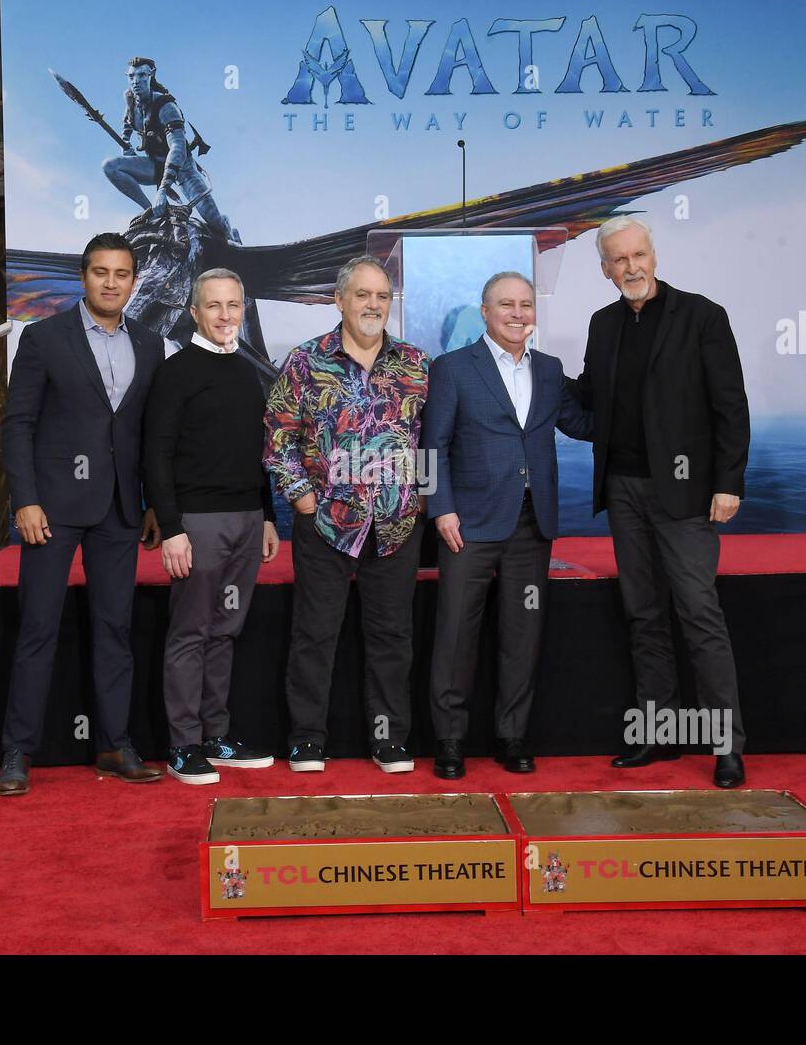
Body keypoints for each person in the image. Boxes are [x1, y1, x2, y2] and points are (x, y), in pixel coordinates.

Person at [570, 217, 749, 789]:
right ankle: (658, 733)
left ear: (654, 254)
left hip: (689, 492)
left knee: (698, 614)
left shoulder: (703, 316)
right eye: (619, 260)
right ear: (605, 268)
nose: (632, 267)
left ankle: (727, 744)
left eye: (639, 255)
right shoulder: (603, 324)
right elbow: (589, 399)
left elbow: (731, 407)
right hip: (622, 491)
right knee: (644, 614)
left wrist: (730, 482)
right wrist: (531, 375)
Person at [0, 232, 164, 796]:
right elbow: (17, 424)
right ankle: (18, 751)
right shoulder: (43, 339)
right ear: (83, 277)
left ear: (133, 281)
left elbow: (145, 432)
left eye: (121, 274)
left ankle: (115, 745)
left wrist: (151, 502)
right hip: (52, 509)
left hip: (119, 509)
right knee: (39, 627)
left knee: (114, 628)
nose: (111, 283)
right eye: (100, 272)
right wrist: (25, 499)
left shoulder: (150, 341)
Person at [421, 272, 592, 779]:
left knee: (523, 633)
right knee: (455, 634)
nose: (517, 314)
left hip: (531, 525)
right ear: (485, 310)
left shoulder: (550, 368)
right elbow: (431, 447)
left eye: (525, 304)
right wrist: (441, 508)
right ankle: (449, 741)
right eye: (506, 305)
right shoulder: (452, 369)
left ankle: (511, 735)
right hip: (467, 525)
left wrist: (642, 403)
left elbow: (581, 424)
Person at [264, 255, 429, 774]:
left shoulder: (416, 364)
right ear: (340, 300)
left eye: (382, 296)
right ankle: (308, 738)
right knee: (315, 632)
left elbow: (432, 439)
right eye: (363, 295)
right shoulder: (305, 361)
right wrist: (301, 497)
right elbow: (277, 438)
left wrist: (422, 496)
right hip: (326, 522)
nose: (373, 305)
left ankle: (389, 740)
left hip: (396, 525)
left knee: (392, 635)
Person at [142, 268, 280, 785]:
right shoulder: (175, 372)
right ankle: (183, 744)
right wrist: (172, 526)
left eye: (235, 305)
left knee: (226, 630)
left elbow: (259, 453)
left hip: (246, 520)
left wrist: (266, 516)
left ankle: (216, 735)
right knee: (190, 633)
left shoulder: (247, 371)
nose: (226, 315)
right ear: (194, 312)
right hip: (196, 523)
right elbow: (155, 453)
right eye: (215, 306)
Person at [102, 56, 238, 242]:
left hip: (183, 168)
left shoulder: (166, 106)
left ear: (151, 76)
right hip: (154, 164)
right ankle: (152, 212)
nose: (136, 81)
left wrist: (163, 189)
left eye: (142, 75)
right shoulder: (130, 99)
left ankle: (230, 234)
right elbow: (127, 122)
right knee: (110, 166)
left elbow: (177, 146)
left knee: (214, 221)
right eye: (131, 76)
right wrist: (125, 143)